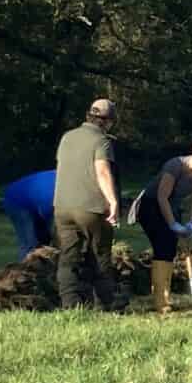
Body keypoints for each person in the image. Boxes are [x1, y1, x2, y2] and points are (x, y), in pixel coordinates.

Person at [52, 97, 123, 310]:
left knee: (68, 257)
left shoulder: (67, 137)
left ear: (88, 116)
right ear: (108, 121)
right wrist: (113, 201)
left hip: (62, 207)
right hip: (90, 208)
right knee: (100, 254)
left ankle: (70, 306)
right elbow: (102, 171)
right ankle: (105, 304)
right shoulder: (102, 141)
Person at [130, 140, 192, 313]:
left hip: (173, 206)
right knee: (163, 245)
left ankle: (165, 297)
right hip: (150, 205)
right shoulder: (175, 165)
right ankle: (160, 301)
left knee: (170, 248)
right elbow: (162, 196)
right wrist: (172, 224)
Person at [0, 169, 56, 262]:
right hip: (17, 200)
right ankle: (23, 271)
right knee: (29, 243)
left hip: (33, 198)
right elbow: (46, 213)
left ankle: (43, 271)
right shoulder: (52, 192)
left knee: (45, 241)